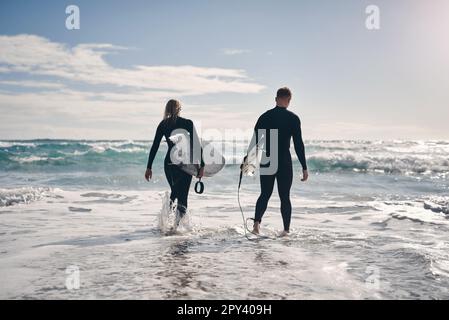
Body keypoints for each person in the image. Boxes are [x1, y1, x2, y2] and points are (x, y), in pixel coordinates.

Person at [244, 87, 308, 237]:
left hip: (268, 159)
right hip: (284, 161)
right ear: (289, 100)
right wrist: (304, 167)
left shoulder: (265, 116)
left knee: (265, 194)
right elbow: (299, 144)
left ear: (276, 99)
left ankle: (256, 227)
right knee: (284, 196)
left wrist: (249, 163)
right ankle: (286, 231)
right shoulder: (293, 118)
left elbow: (255, 142)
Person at [145, 99, 204, 227]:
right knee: (183, 196)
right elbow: (196, 145)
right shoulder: (187, 123)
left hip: (170, 163)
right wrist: (201, 165)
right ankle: (175, 227)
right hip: (185, 164)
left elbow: (154, 146)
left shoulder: (163, 124)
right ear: (179, 109)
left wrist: (149, 167)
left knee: (175, 192)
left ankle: (167, 222)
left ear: (167, 110)